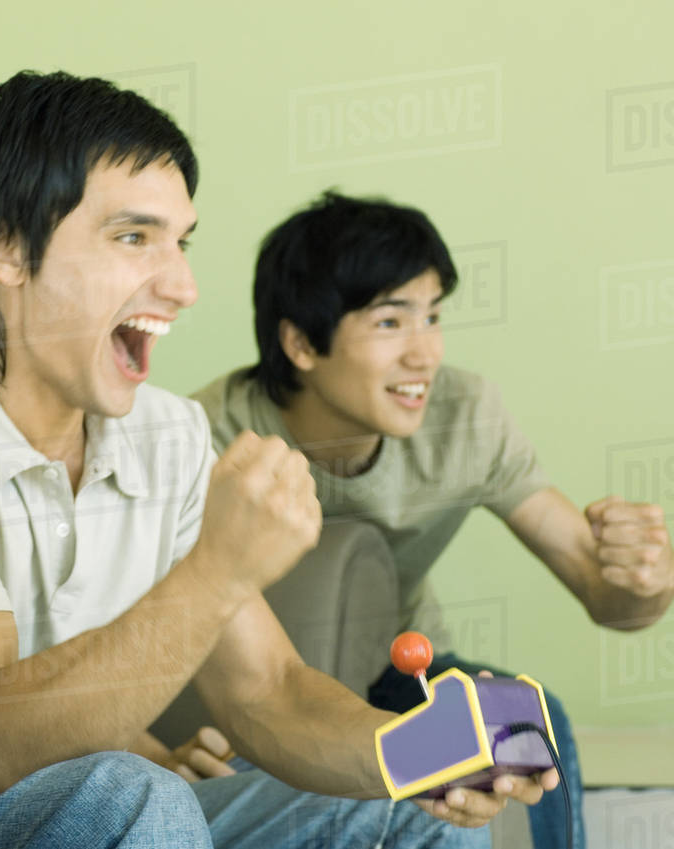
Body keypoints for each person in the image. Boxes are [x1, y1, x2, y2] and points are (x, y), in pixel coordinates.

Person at [0, 71, 553, 848]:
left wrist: (417, 753)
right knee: (114, 794)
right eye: (134, 237)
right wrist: (217, 569)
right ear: (6, 249)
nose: (183, 285)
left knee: (407, 810)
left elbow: (268, 692)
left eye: (181, 242)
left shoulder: (167, 435)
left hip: (52, 818)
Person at [192, 190, 674, 849]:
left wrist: (644, 581)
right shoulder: (212, 439)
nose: (425, 354)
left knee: (532, 722)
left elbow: (603, 591)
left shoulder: (466, 416)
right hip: (250, 686)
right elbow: (173, 625)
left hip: (399, 666)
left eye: (434, 316)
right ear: (301, 342)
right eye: (391, 323)